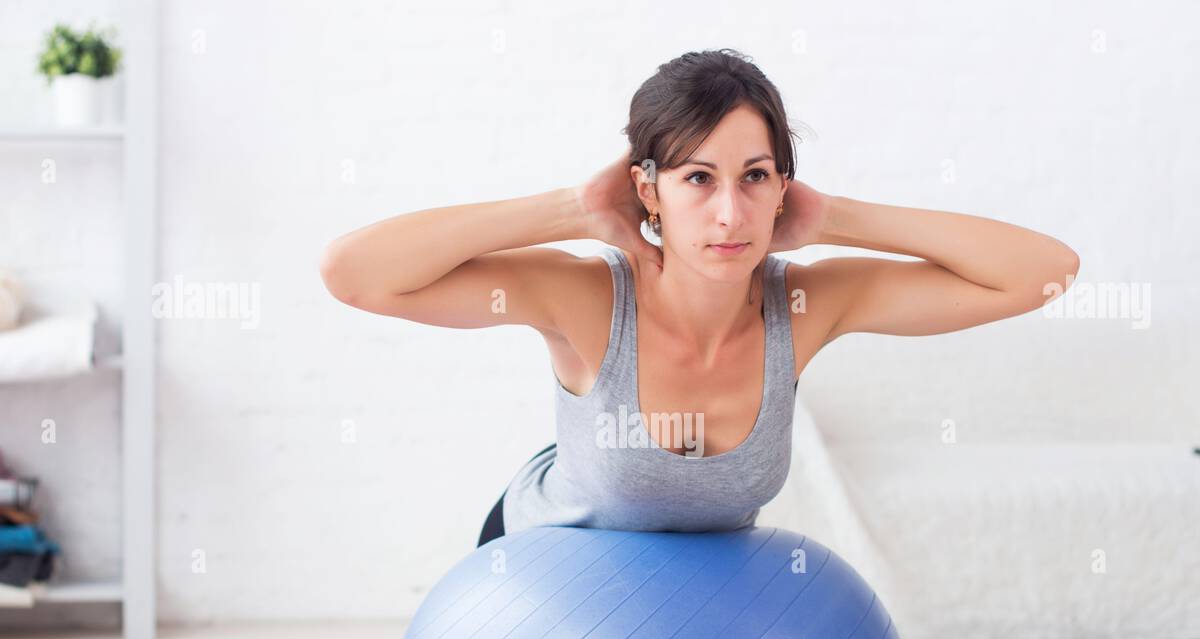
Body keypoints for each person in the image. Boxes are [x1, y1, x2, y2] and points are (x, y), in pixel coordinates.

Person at [319, 48, 1080, 549]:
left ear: (784, 186)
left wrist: (839, 219)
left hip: (686, 621)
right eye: (697, 178)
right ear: (647, 188)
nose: (730, 213)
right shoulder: (585, 299)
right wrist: (570, 208)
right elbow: (355, 274)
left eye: (755, 176)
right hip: (544, 599)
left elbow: (1043, 272)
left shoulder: (807, 307)